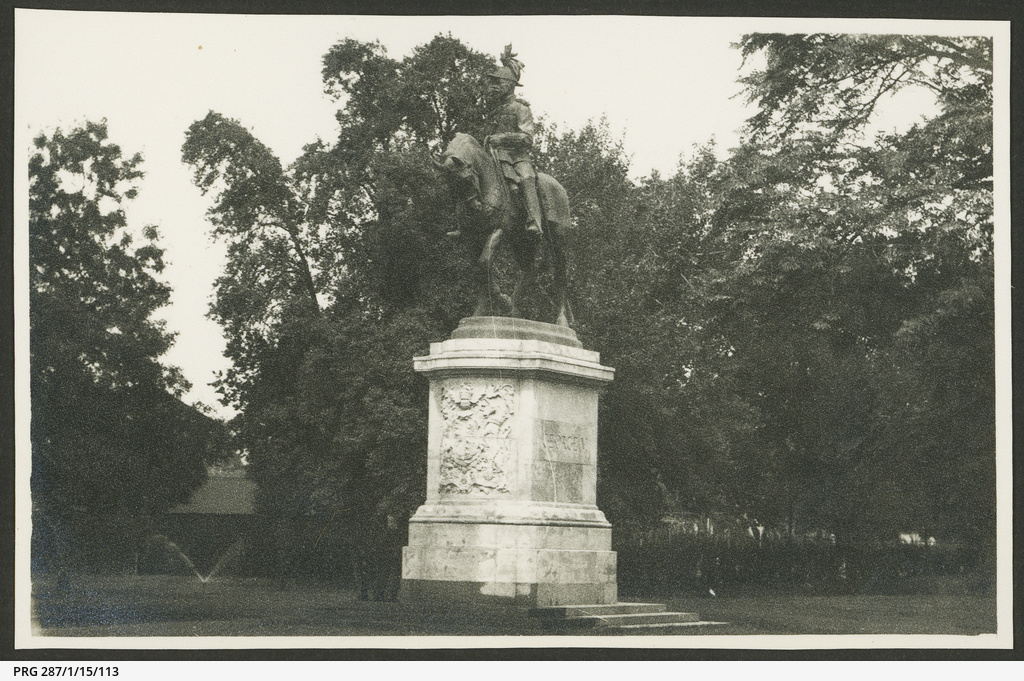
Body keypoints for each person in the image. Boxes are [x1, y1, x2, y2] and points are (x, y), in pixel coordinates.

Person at [483, 45, 543, 242]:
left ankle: (534, 221)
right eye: (493, 83)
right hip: (494, 157)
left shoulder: (520, 109)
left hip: (517, 158)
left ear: (509, 84)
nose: (494, 87)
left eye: (498, 82)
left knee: (526, 177)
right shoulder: (494, 110)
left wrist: (503, 138)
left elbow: (527, 138)